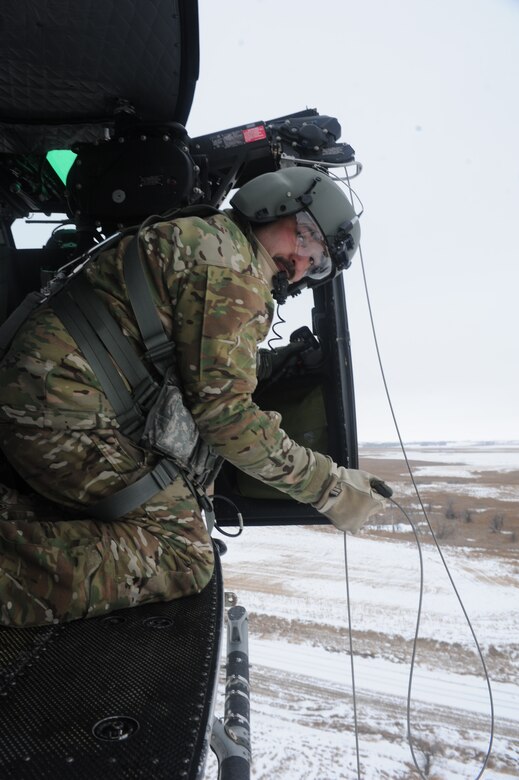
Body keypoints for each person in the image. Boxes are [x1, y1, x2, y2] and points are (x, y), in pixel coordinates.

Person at [0, 166, 390, 627]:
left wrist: (279, 363)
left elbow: (198, 365)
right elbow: (229, 422)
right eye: (305, 239)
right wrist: (330, 488)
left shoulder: (214, 241)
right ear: (275, 205)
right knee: (184, 551)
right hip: (55, 415)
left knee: (159, 499)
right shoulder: (234, 276)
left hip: (46, 397)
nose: (301, 263)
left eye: (317, 263)